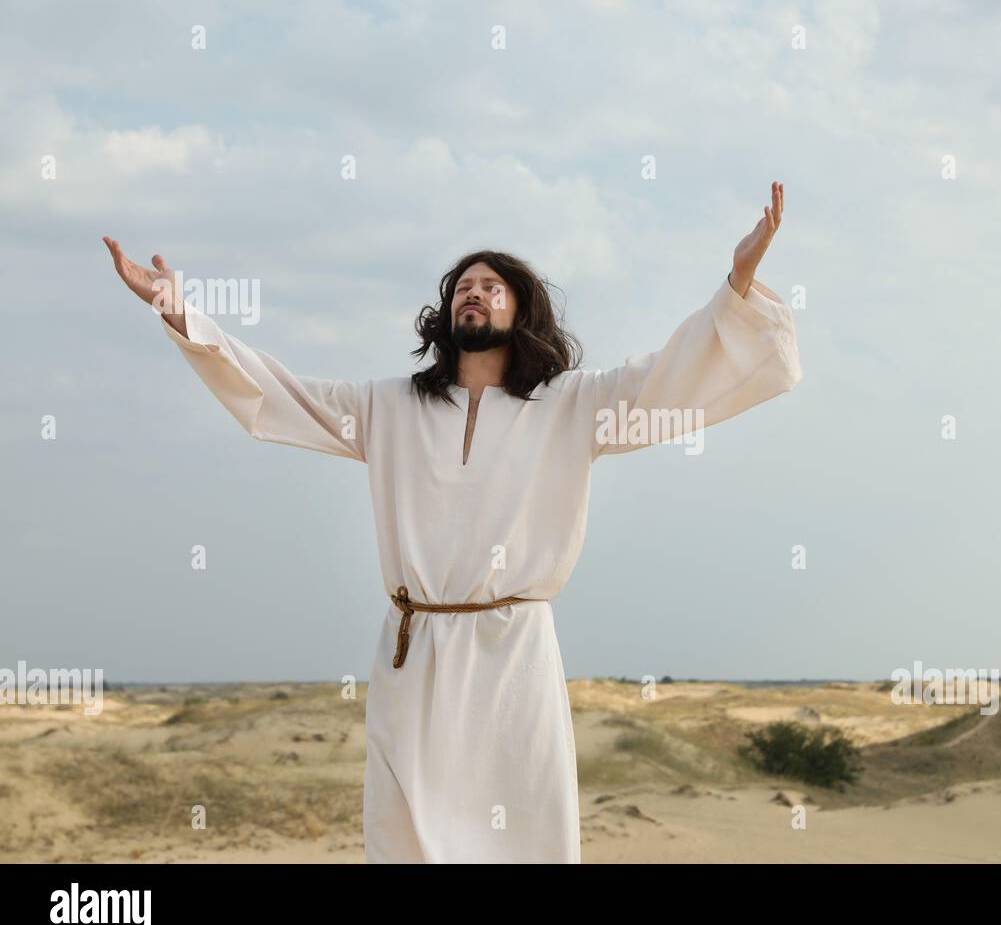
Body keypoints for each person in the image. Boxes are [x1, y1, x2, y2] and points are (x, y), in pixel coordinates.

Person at [103, 181, 801, 862]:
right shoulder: (389, 407)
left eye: (493, 285)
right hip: (415, 652)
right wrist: (181, 312)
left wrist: (736, 286)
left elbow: (668, 378)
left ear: (521, 312)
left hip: (514, 657)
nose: (474, 291)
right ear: (446, 313)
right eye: (464, 285)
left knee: (522, 832)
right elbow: (276, 393)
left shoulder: (572, 405)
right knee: (404, 829)